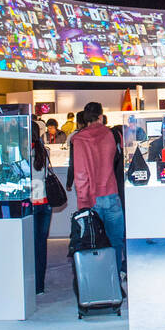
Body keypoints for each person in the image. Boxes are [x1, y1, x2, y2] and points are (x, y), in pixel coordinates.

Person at [70, 101, 126, 274]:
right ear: (101, 116)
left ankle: (100, 281)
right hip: (112, 194)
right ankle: (115, 280)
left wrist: (83, 202)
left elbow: (80, 173)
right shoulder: (112, 134)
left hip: (91, 199)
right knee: (116, 241)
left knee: (93, 243)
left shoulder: (78, 139)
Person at [29, 120, 53, 294]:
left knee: (29, 245)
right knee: (40, 245)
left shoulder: (23, 152)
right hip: (45, 203)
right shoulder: (43, 151)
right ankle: (39, 285)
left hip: (30, 204)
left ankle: (30, 282)